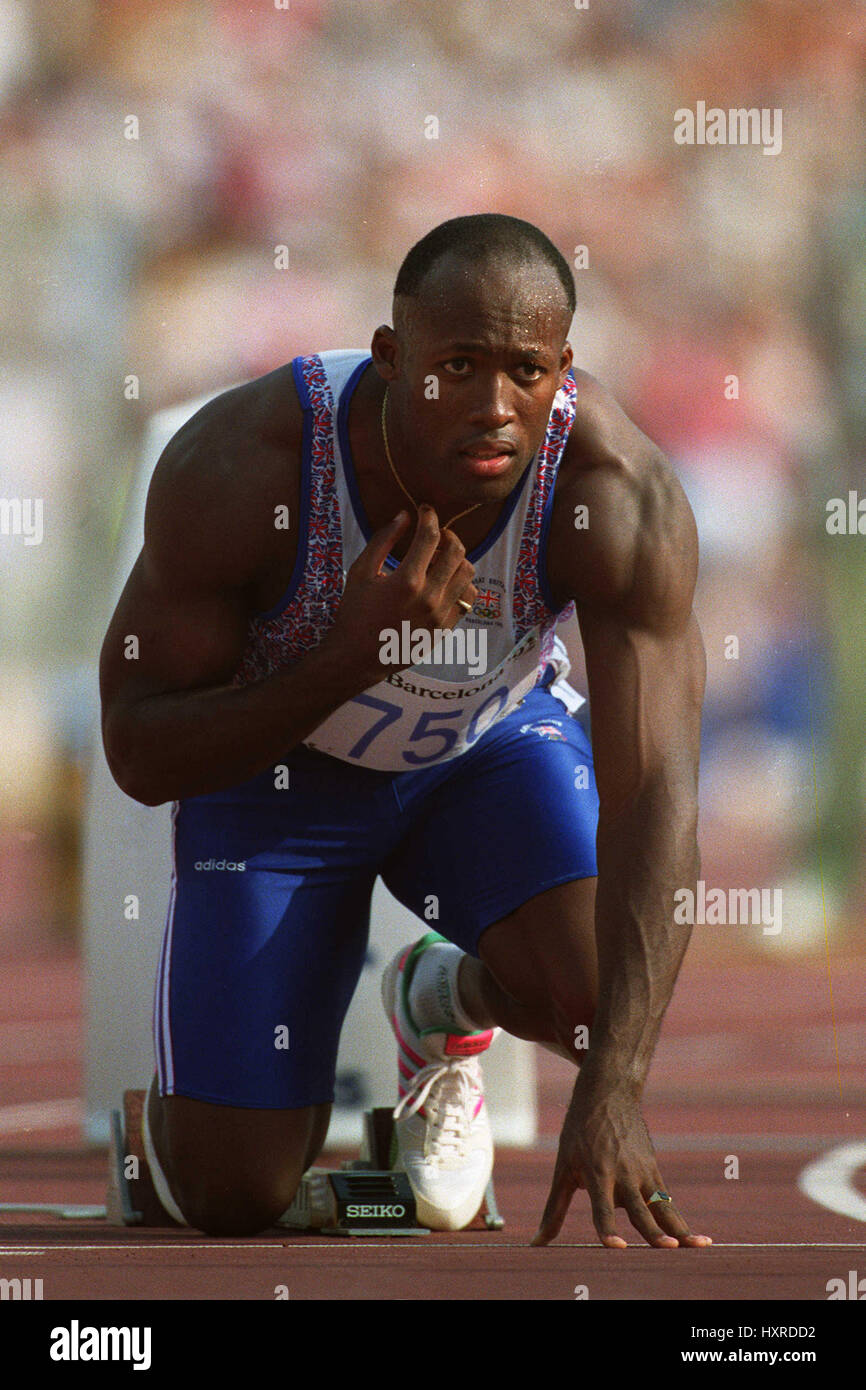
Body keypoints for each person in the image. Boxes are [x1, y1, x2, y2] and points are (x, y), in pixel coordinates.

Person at [99, 213, 711, 1249]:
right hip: (277, 777)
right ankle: (167, 1129)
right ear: (391, 358)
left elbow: (655, 795)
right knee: (231, 1198)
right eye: (457, 366)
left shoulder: (613, 493)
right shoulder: (244, 465)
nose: (491, 407)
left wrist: (613, 1086)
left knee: (607, 999)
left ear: (563, 369)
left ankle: (439, 1001)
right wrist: (345, 658)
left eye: (524, 371)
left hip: (482, 757)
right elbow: (139, 753)